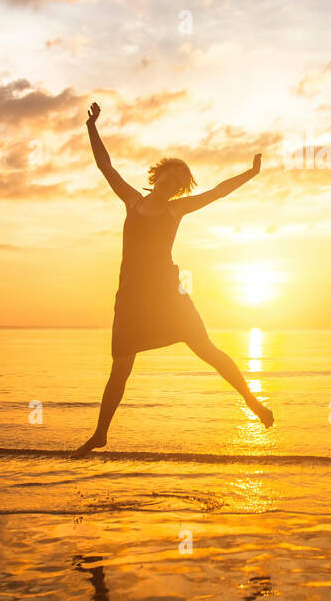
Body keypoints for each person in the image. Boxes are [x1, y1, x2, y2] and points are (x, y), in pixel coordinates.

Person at [73, 101, 274, 457]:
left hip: (168, 296)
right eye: (172, 174)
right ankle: (100, 434)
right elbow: (105, 165)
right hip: (132, 299)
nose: (175, 181)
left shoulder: (176, 209)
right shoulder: (132, 200)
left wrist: (251, 173)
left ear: (181, 188)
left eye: (181, 180)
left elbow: (218, 192)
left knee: (207, 350)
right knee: (120, 369)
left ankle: (253, 403)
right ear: (159, 174)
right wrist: (92, 126)